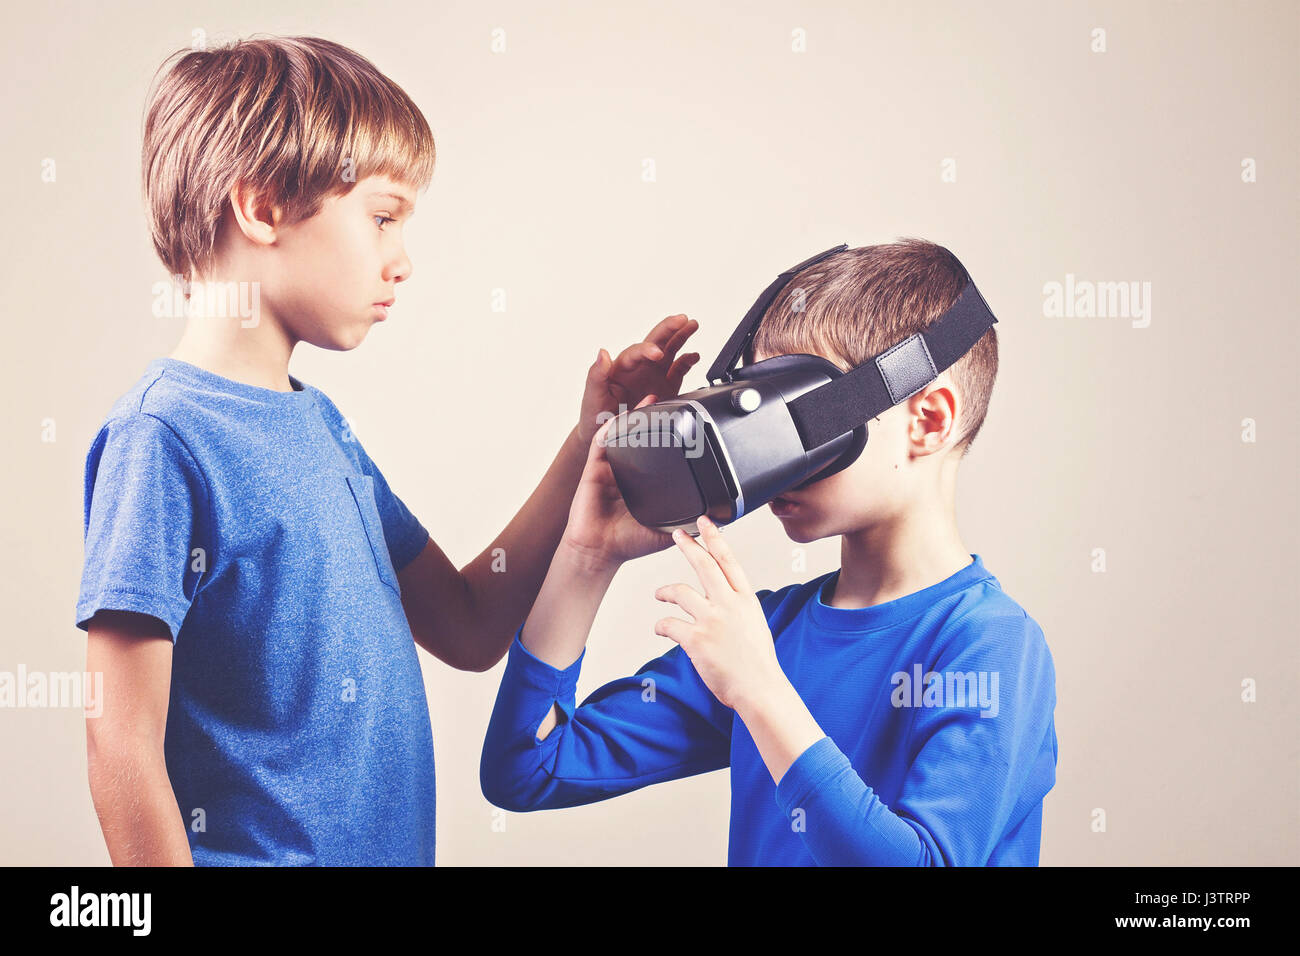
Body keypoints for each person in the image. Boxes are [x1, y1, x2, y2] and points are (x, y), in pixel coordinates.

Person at [75, 34, 699, 866]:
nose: (402, 262)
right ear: (260, 206)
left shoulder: (321, 426)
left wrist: (589, 438)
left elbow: (472, 626)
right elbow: (120, 750)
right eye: (381, 217)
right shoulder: (162, 438)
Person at [480, 239, 1058, 865]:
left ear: (928, 420)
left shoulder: (988, 643)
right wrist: (588, 557)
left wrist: (760, 690)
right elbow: (529, 768)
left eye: (796, 411)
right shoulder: (767, 634)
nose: (768, 458)